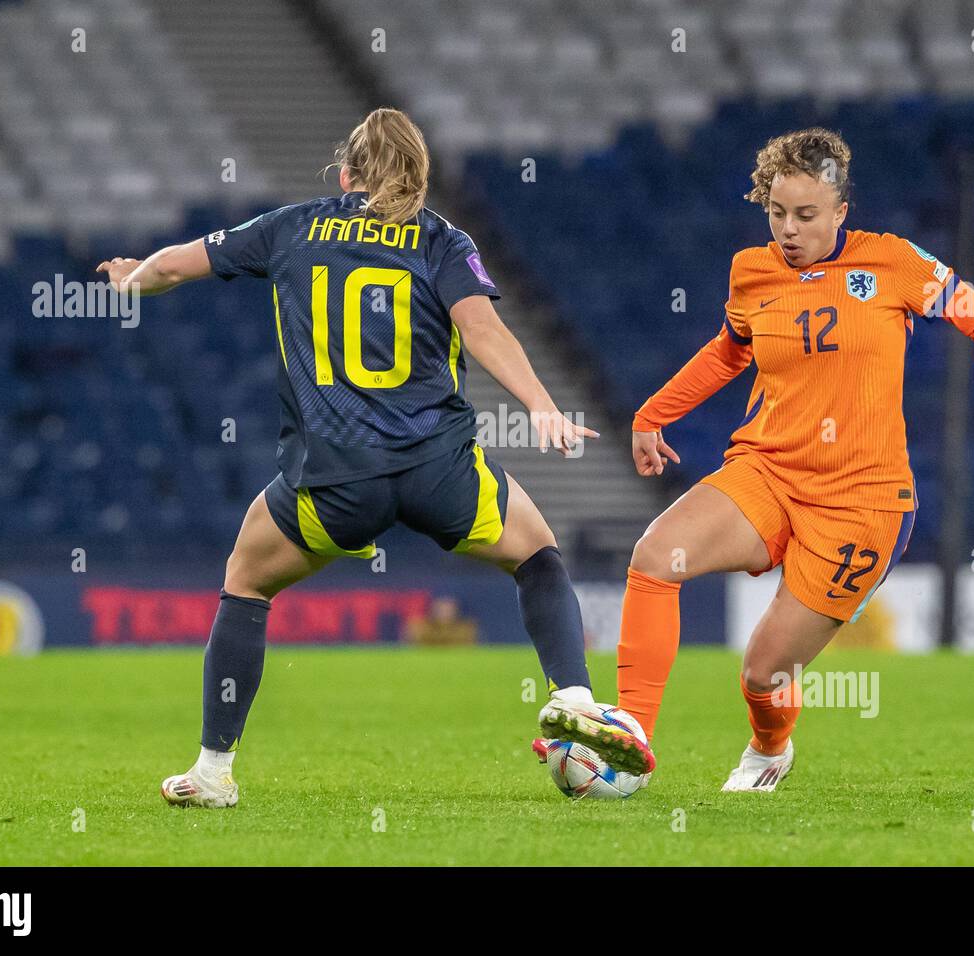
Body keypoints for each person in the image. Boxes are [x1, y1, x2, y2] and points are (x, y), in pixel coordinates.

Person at [96, 108, 654, 808]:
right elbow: (481, 328)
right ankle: (574, 695)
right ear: (420, 178)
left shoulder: (293, 227)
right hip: (438, 470)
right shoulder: (442, 240)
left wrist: (129, 281)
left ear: (346, 174)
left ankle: (212, 770)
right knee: (537, 555)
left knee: (245, 580)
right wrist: (540, 404)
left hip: (334, 479)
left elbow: (176, 264)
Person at [617, 128, 974, 791]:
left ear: (841, 211)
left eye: (806, 215)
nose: (788, 229)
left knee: (763, 673)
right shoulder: (751, 271)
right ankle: (628, 739)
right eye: (777, 213)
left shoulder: (894, 262)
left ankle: (768, 750)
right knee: (655, 555)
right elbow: (732, 350)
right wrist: (654, 413)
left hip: (863, 503)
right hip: (768, 471)